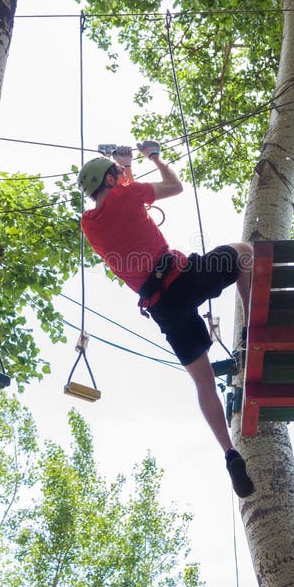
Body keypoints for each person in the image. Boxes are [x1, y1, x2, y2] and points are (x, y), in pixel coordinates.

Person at [77, 141, 254, 498]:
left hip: (162, 307)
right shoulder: (126, 196)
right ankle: (251, 329)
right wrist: (153, 157)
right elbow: (173, 186)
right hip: (184, 277)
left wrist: (121, 167)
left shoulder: (88, 225)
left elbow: (118, 200)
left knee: (203, 382)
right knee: (245, 253)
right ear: (111, 179)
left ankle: (229, 453)